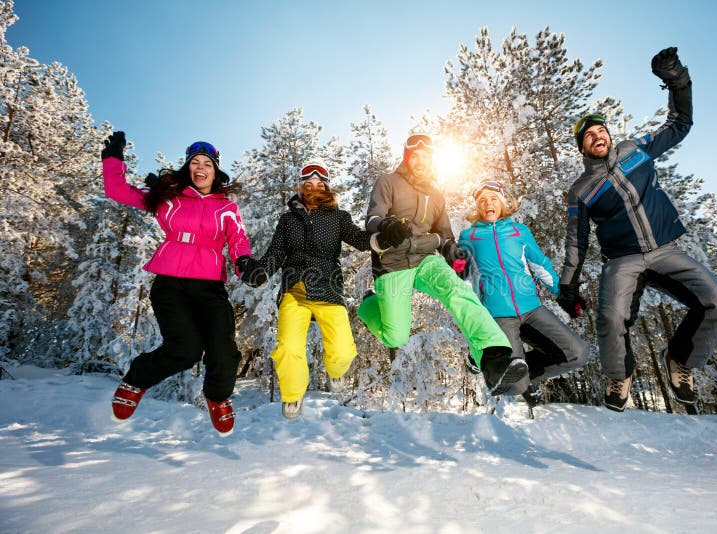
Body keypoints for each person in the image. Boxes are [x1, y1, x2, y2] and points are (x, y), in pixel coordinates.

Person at [559, 47, 717, 412]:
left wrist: (677, 81)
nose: (598, 136)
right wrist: (567, 286)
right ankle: (619, 376)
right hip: (622, 260)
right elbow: (576, 243)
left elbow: (679, 125)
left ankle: (680, 361)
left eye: (601, 130)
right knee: (610, 316)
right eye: (589, 135)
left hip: (664, 250)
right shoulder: (581, 190)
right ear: (582, 147)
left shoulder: (634, 151)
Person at [102, 131, 256, 436]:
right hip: (170, 283)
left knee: (224, 350)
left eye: (207, 164)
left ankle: (217, 396)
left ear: (216, 171)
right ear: (188, 169)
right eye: (194, 162)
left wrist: (245, 263)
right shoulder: (167, 198)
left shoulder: (226, 208)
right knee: (185, 350)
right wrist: (113, 159)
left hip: (209, 287)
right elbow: (117, 190)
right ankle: (136, 380)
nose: (200, 167)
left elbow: (238, 240)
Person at [357, 134, 529, 396]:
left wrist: (453, 252)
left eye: (426, 157)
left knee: (458, 291)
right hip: (391, 262)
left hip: (425, 260)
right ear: (407, 157)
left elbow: (444, 235)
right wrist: (388, 226)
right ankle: (369, 304)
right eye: (415, 156)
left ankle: (494, 359)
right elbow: (373, 218)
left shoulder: (436, 195)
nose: (420, 161)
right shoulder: (388, 182)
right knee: (396, 336)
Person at [239, 161, 375, 420]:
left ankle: (336, 370)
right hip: (296, 288)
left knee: (343, 349)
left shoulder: (338, 217)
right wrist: (260, 272)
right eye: (308, 184)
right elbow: (277, 252)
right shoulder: (288, 220)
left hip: (328, 288)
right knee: (289, 347)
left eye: (319, 184)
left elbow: (359, 239)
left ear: (326, 188)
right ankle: (292, 394)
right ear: (301, 187)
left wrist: (379, 239)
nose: (313, 188)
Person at [458, 181, 590, 407]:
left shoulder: (519, 231)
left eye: (492, 199)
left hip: (531, 309)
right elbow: (465, 278)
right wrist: (458, 267)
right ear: (477, 208)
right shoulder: (469, 236)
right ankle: (484, 360)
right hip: (499, 316)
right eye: (482, 201)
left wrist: (563, 294)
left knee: (578, 353)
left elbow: (540, 265)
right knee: (514, 387)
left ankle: (519, 372)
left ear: (501, 203)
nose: (488, 204)